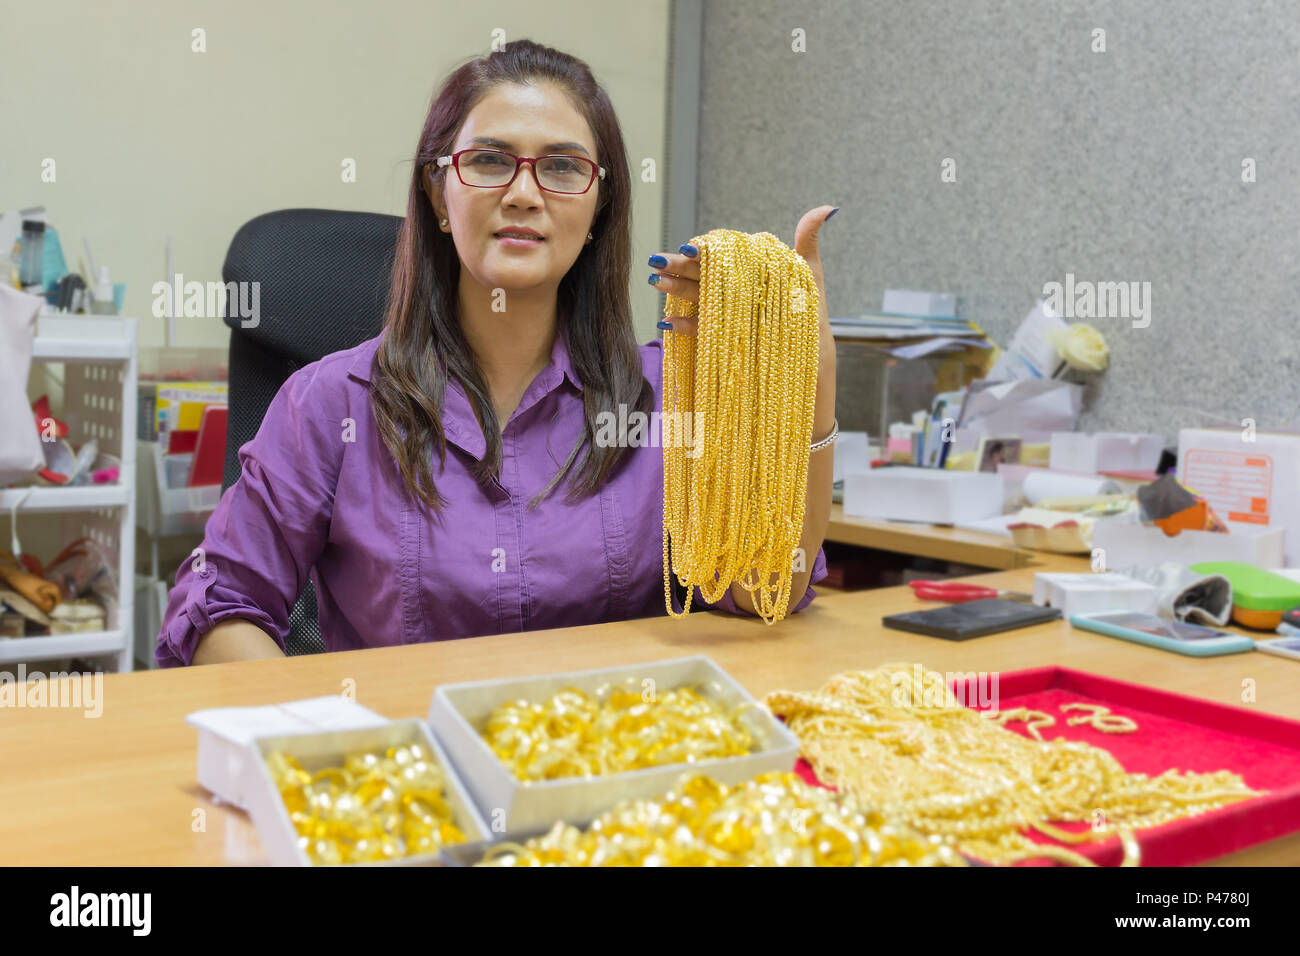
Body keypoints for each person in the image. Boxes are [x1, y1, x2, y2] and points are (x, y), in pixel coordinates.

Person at [156, 39, 837, 667]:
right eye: (488, 161)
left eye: (563, 167)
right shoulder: (331, 403)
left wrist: (812, 368)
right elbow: (220, 608)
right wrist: (317, 735)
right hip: (411, 774)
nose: (522, 194)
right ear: (438, 193)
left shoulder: (670, 398)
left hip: (614, 770)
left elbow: (763, 588)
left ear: (599, 205)